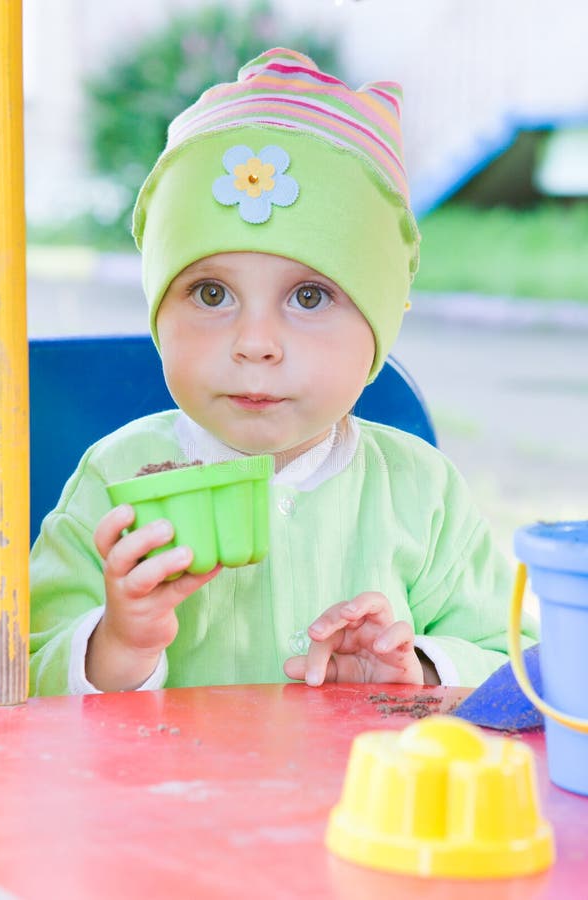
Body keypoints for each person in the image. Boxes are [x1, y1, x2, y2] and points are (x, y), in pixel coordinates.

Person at [30, 47, 536, 696]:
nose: (256, 343)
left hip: (356, 798)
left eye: (309, 296)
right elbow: (23, 678)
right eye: (212, 294)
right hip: (160, 799)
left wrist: (419, 670)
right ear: (161, 315)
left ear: (379, 327)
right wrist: (116, 645)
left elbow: (516, 662)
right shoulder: (113, 484)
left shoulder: (420, 493)